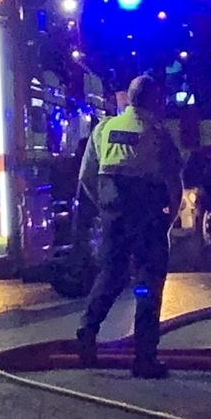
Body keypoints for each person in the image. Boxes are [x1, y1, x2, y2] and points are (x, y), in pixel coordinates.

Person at [75, 74, 183, 379]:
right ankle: (144, 358)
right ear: (155, 101)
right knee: (148, 282)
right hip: (147, 217)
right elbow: (175, 182)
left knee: (111, 274)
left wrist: (106, 208)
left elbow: (86, 177)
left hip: (114, 214)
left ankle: (87, 330)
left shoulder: (103, 129)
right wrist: (169, 218)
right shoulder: (158, 134)